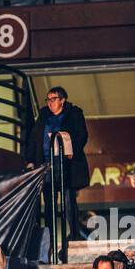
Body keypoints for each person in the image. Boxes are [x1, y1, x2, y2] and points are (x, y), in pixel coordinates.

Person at [24, 86, 90, 241]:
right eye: (48, 99)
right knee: (48, 203)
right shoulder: (43, 115)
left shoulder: (74, 114)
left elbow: (82, 135)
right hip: (46, 164)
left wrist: (72, 149)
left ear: (62, 100)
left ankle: (74, 235)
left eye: (53, 99)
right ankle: (49, 237)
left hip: (67, 164)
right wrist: (30, 160)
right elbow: (34, 139)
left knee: (68, 201)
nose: (50, 103)